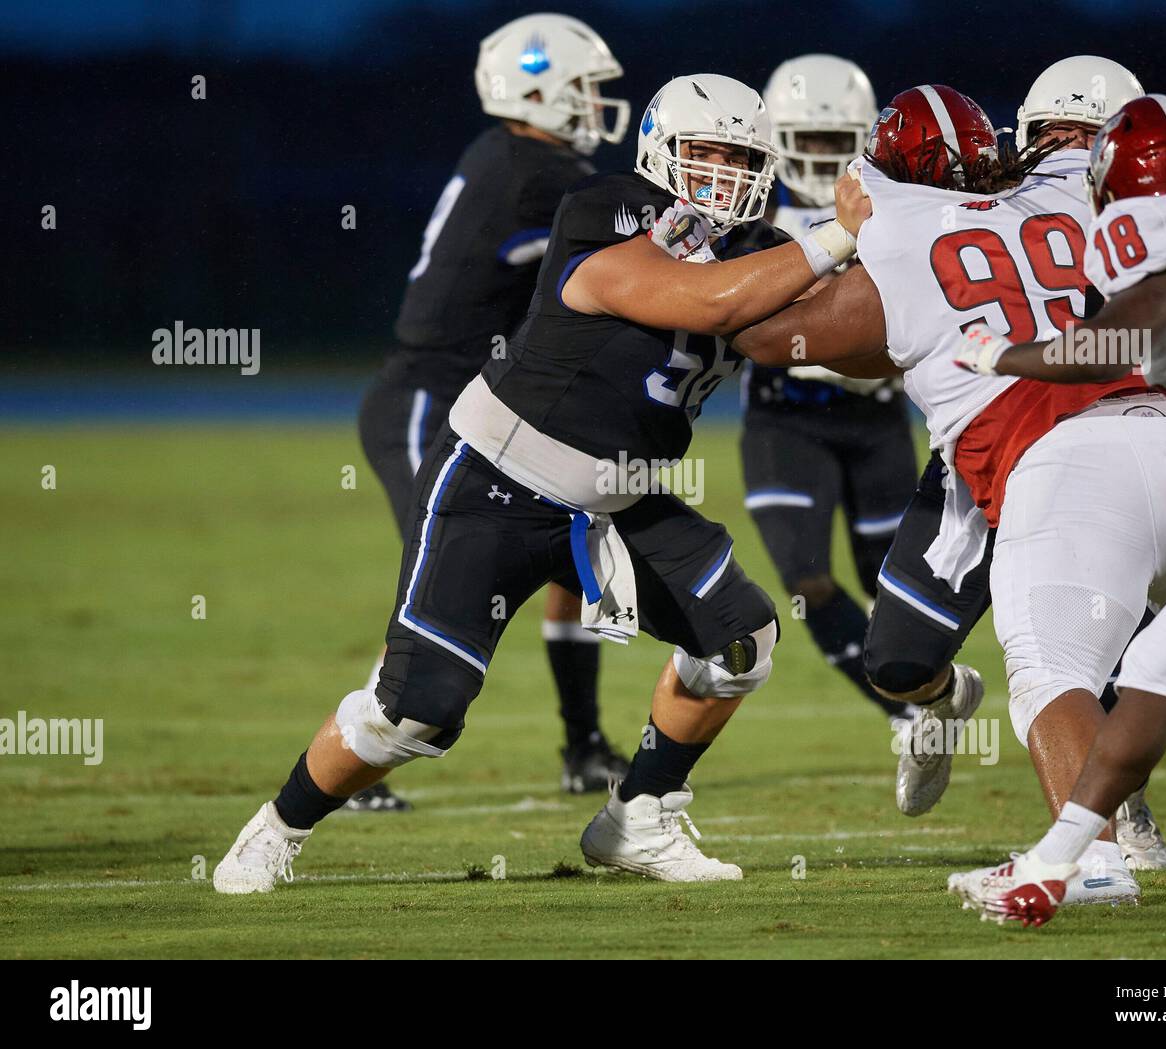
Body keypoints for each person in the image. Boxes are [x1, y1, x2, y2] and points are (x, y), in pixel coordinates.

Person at [213, 73, 870, 891]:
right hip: (499, 479)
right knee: (417, 708)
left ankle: (640, 818)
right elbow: (698, 302)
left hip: (618, 495)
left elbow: (817, 336)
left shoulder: (756, 246)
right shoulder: (605, 210)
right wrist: (834, 242)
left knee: (739, 639)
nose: (724, 171)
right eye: (705, 151)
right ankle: (280, 824)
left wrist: (920, 298)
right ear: (662, 148)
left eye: (740, 156)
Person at [732, 82, 1166, 906]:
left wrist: (808, 249)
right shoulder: (1076, 190)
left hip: (1051, 464)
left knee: (1053, 671)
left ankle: (1093, 854)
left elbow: (773, 337)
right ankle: (1112, 792)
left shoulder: (899, 231)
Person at [947, 95, 1166, 926]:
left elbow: (1114, 344)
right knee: (1147, 677)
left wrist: (997, 352)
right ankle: (1060, 863)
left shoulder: (1154, 229)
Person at [354, 14, 632, 807]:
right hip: (429, 396)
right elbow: (616, 259)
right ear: (536, 88)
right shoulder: (531, 171)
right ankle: (362, 752)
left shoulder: (520, 159)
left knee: (572, 551)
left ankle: (582, 744)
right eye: (582, 88)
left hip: (486, 401)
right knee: (446, 572)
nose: (594, 103)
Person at [741, 53, 917, 722]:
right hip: (785, 417)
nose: (816, 154)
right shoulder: (749, 213)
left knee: (896, 590)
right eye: (805, 138)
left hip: (875, 416)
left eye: (830, 139)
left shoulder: (894, 209)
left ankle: (920, 689)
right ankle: (906, 716)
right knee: (805, 579)